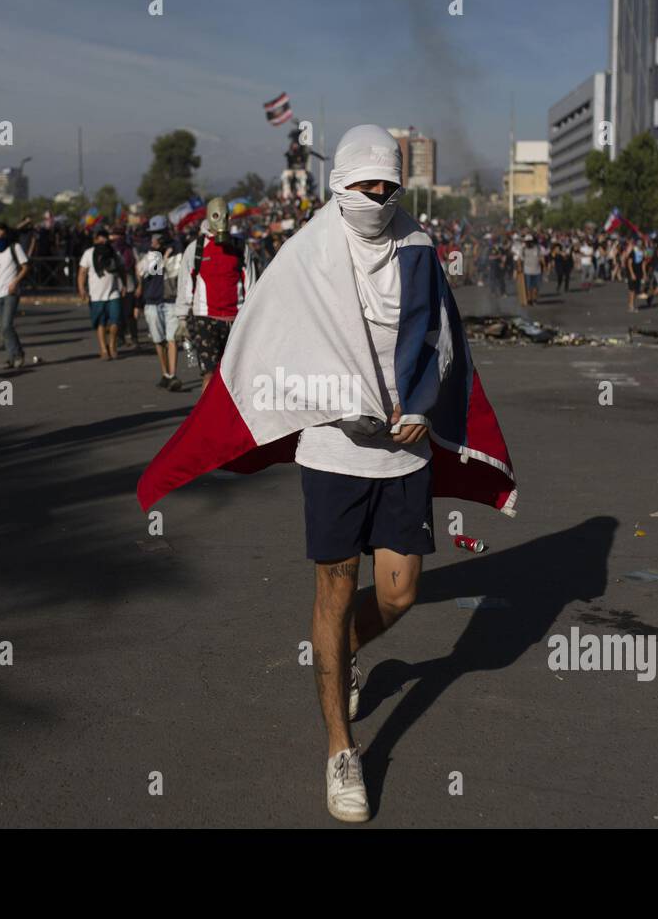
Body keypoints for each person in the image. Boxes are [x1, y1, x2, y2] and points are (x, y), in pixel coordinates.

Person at [137, 124, 516, 824]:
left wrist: (427, 411)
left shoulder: (420, 247)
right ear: (338, 183)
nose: (377, 197)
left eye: (387, 185)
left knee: (400, 594)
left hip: (403, 452)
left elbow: (442, 342)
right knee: (336, 589)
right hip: (334, 456)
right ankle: (342, 751)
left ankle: (338, 660)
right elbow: (271, 344)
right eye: (364, 185)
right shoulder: (306, 254)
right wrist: (332, 401)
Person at [175, 197, 251, 389]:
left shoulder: (241, 248)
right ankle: (209, 418)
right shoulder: (195, 249)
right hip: (205, 318)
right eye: (217, 216)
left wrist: (253, 316)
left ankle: (230, 417)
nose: (222, 221)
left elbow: (251, 283)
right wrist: (182, 319)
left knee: (236, 376)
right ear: (208, 218)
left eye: (225, 216)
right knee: (209, 374)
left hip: (236, 319)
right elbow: (185, 284)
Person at [138, 218, 181, 390]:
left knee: (172, 338)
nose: (156, 238)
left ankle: (173, 374)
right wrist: (157, 255)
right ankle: (165, 373)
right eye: (153, 234)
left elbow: (176, 271)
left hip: (171, 299)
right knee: (158, 339)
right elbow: (142, 271)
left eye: (160, 234)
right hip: (152, 300)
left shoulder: (177, 248)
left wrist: (167, 257)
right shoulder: (146, 250)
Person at [0, 223, 30, 369]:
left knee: (6, 325)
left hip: (11, 292)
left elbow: (25, 267)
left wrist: (15, 282)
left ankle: (18, 354)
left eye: (2, 235)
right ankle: (11, 357)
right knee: (3, 328)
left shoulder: (14, 247)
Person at [77, 227, 122, 360]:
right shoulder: (89, 253)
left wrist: (124, 284)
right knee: (100, 323)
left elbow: (121, 269)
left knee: (115, 322)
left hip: (113, 293)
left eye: (105, 237)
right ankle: (103, 349)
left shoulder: (114, 252)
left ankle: (112, 345)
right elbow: (82, 272)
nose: (103, 239)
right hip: (96, 296)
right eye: (100, 237)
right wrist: (81, 289)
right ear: (95, 239)